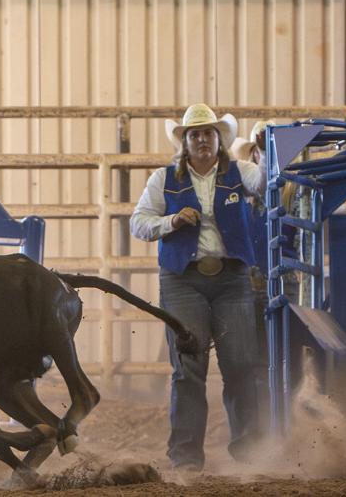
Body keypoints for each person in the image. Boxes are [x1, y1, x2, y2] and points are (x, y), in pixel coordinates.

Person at [130, 103, 266, 471]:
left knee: (240, 365)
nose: (202, 140)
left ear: (219, 139)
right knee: (188, 369)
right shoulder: (163, 179)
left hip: (232, 277)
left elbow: (265, 183)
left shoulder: (243, 172)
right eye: (195, 134)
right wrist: (172, 221)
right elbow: (139, 223)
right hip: (182, 279)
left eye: (208, 133)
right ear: (185, 142)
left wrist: (267, 151)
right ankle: (186, 457)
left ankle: (249, 452)